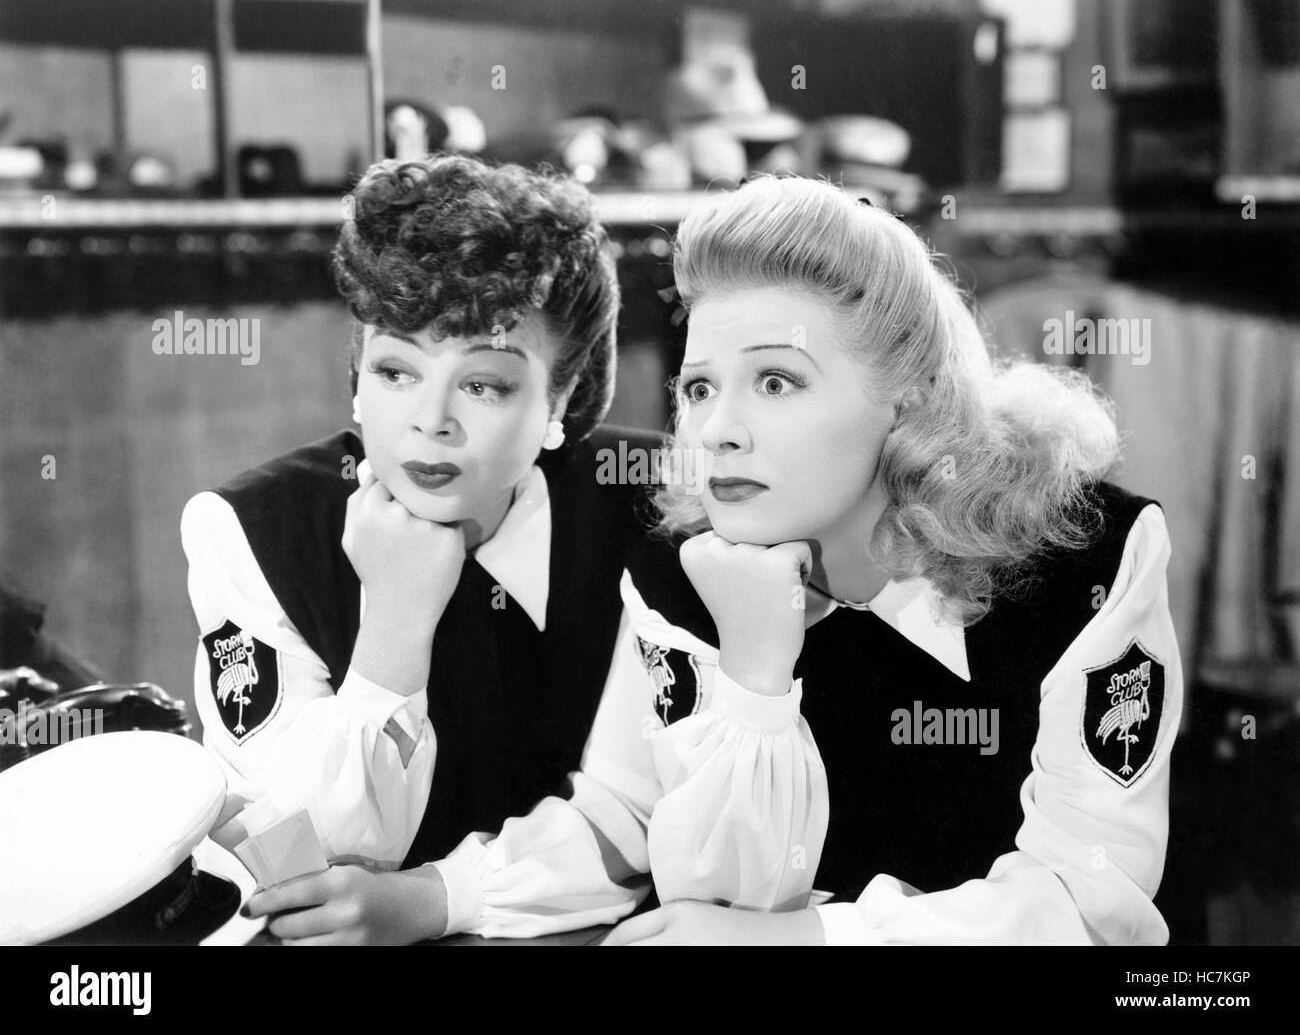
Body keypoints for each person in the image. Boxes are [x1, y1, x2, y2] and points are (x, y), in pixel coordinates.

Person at [398, 175, 1183, 945]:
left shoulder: (1086, 561)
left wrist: (799, 938)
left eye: (775, 381)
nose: (717, 430)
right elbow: (625, 816)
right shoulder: (682, 563)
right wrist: (435, 898)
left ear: (909, 397)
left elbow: (1088, 902)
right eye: (699, 389)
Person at [182, 153, 659, 944]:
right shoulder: (251, 530)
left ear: (561, 397)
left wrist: (439, 898)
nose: (431, 421)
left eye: (484, 384)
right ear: (357, 377)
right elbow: (281, 841)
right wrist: (394, 630)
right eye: (397, 370)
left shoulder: (651, 509)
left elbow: (646, 820)